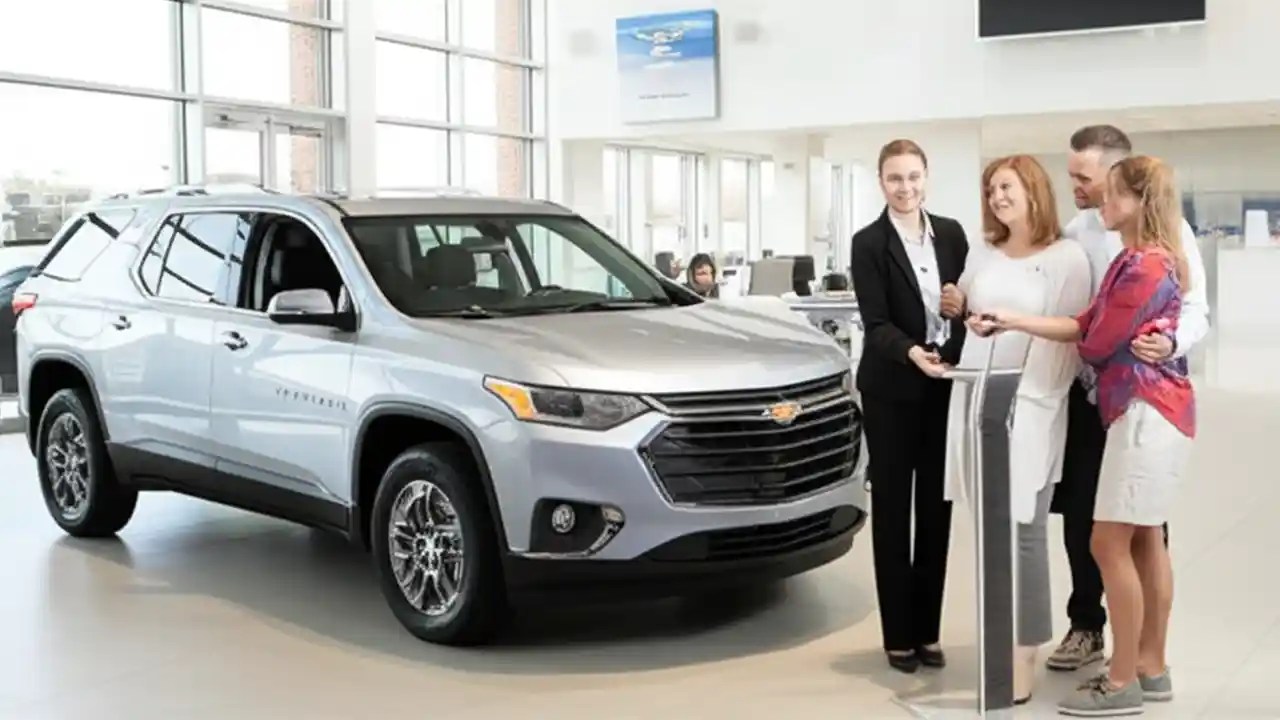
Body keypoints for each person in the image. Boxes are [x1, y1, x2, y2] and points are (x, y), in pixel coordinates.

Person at [979, 156, 1195, 716]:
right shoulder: (1133, 259)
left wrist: (1070, 327)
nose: (1099, 200)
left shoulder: (1145, 266)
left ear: (1139, 201)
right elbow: (1085, 324)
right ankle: (1152, 666)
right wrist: (1016, 319)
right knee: (1146, 539)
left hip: (1146, 412)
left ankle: (1121, 679)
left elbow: (1095, 342)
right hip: (1145, 410)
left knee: (1107, 542)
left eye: (1111, 193)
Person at [1046, 126, 1209, 673]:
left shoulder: (1161, 239)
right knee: (1082, 521)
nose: (1077, 186)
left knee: (1137, 533)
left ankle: (1139, 659)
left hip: (1139, 394)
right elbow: (1076, 314)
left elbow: (1193, 310)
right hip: (1092, 398)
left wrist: (1169, 342)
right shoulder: (1077, 231)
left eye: (1085, 178)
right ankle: (1089, 628)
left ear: (1119, 180)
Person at [942, 156, 1092, 703]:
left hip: (1030, 404)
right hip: (977, 396)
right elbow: (963, 307)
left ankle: (1024, 650)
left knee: (1024, 529)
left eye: (1004, 187)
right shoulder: (982, 249)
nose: (995, 197)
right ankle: (998, 640)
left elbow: (1074, 331)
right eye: (989, 189)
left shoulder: (1066, 257)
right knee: (990, 529)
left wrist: (1016, 332)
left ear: (1032, 190)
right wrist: (956, 305)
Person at [850, 138, 969, 673]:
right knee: (895, 512)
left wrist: (960, 310)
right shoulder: (868, 243)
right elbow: (875, 325)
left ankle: (928, 630)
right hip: (892, 389)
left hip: (943, 384)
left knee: (937, 512)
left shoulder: (951, 233)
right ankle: (898, 635)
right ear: (882, 183)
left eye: (914, 177)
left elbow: (967, 306)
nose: (906, 187)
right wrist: (910, 352)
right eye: (895, 178)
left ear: (927, 177)